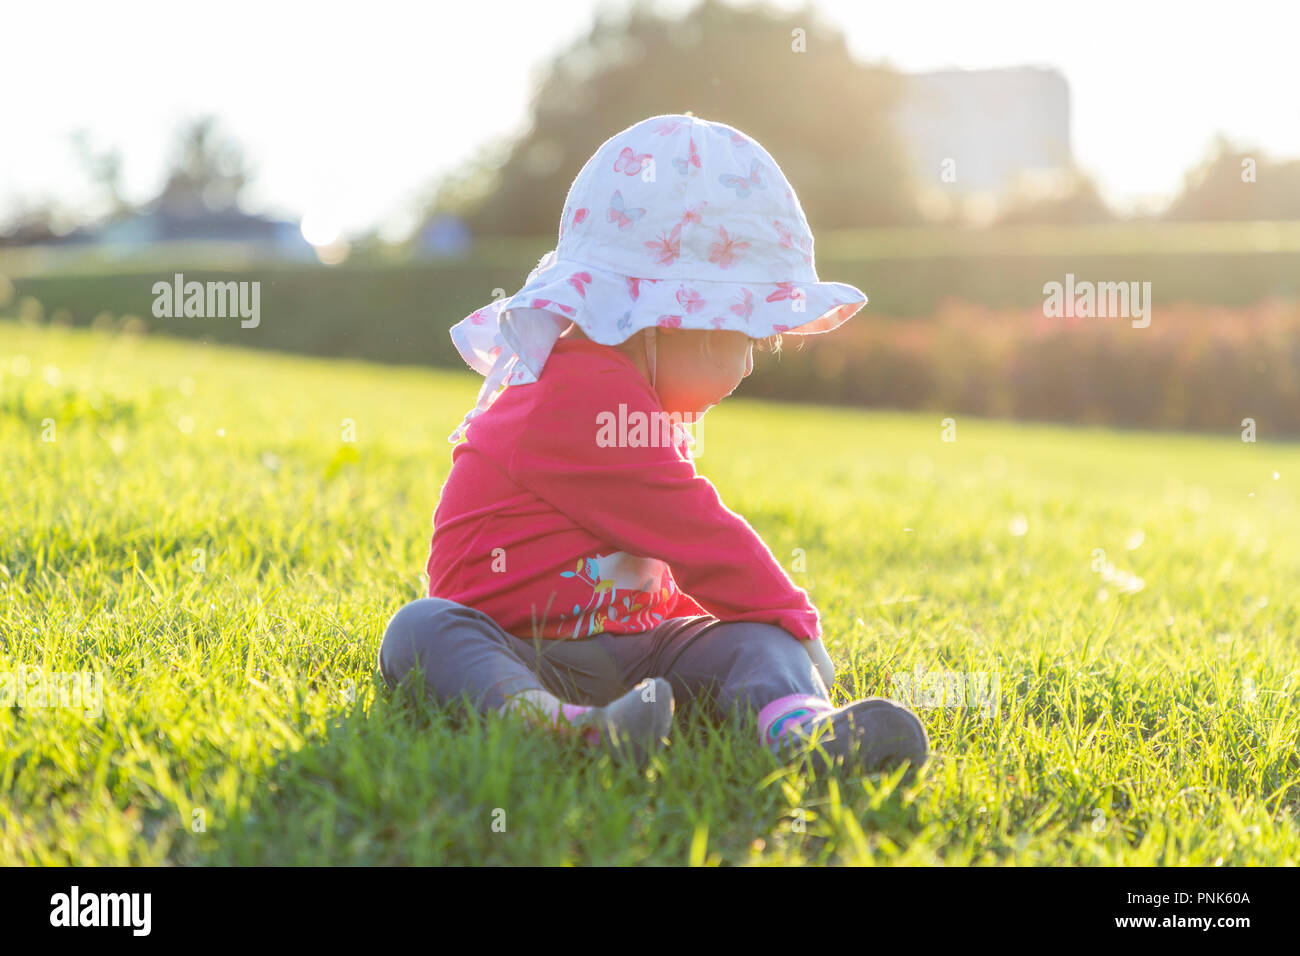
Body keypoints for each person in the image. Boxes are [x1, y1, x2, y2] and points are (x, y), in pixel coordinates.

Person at [378, 113, 928, 776]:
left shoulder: (636, 398)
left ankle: (801, 731)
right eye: (745, 338)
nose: (749, 365)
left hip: (639, 650)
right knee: (423, 631)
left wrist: (754, 632)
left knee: (751, 639)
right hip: (522, 647)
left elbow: (654, 569)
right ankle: (562, 725)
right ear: (671, 320)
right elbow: (697, 533)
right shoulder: (576, 393)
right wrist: (796, 619)